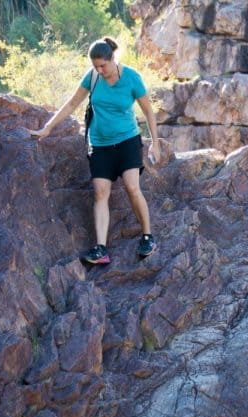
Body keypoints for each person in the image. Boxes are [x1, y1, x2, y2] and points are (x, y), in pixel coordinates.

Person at [29, 37, 160, 264]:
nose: (99, 70)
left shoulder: (131, 77)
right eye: (95, 66)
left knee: (131, 186)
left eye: (103, 65)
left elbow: (148, 111)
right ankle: (101, 249)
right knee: (100, 192)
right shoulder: (92, 77)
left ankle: (147, 237)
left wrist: (156, 143)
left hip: (127, 140)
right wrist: (47, 128)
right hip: (100, 144)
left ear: (112, 59)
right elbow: (71, 104)